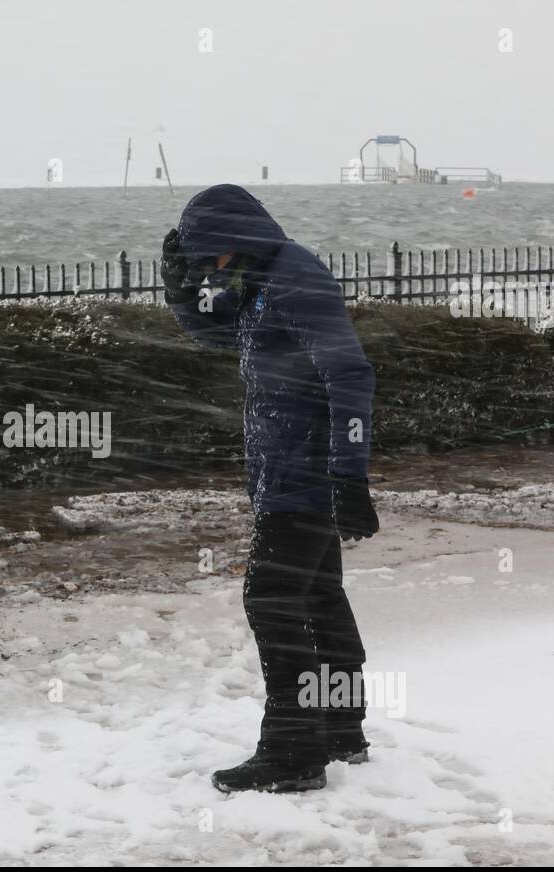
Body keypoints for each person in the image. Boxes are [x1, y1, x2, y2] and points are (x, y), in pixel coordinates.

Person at [161, 184, 379, 794]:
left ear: (233, 239)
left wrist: (348, 474)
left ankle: (292, 751)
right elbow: (218, 334)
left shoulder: (294, 275)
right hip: (285, 472)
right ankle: (340, 729)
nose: (211, 269)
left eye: (211, 257)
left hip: (307, 475)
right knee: (318, 598)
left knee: (272, 602)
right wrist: (183, 284)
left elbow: (351, 371)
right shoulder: (259, 279)